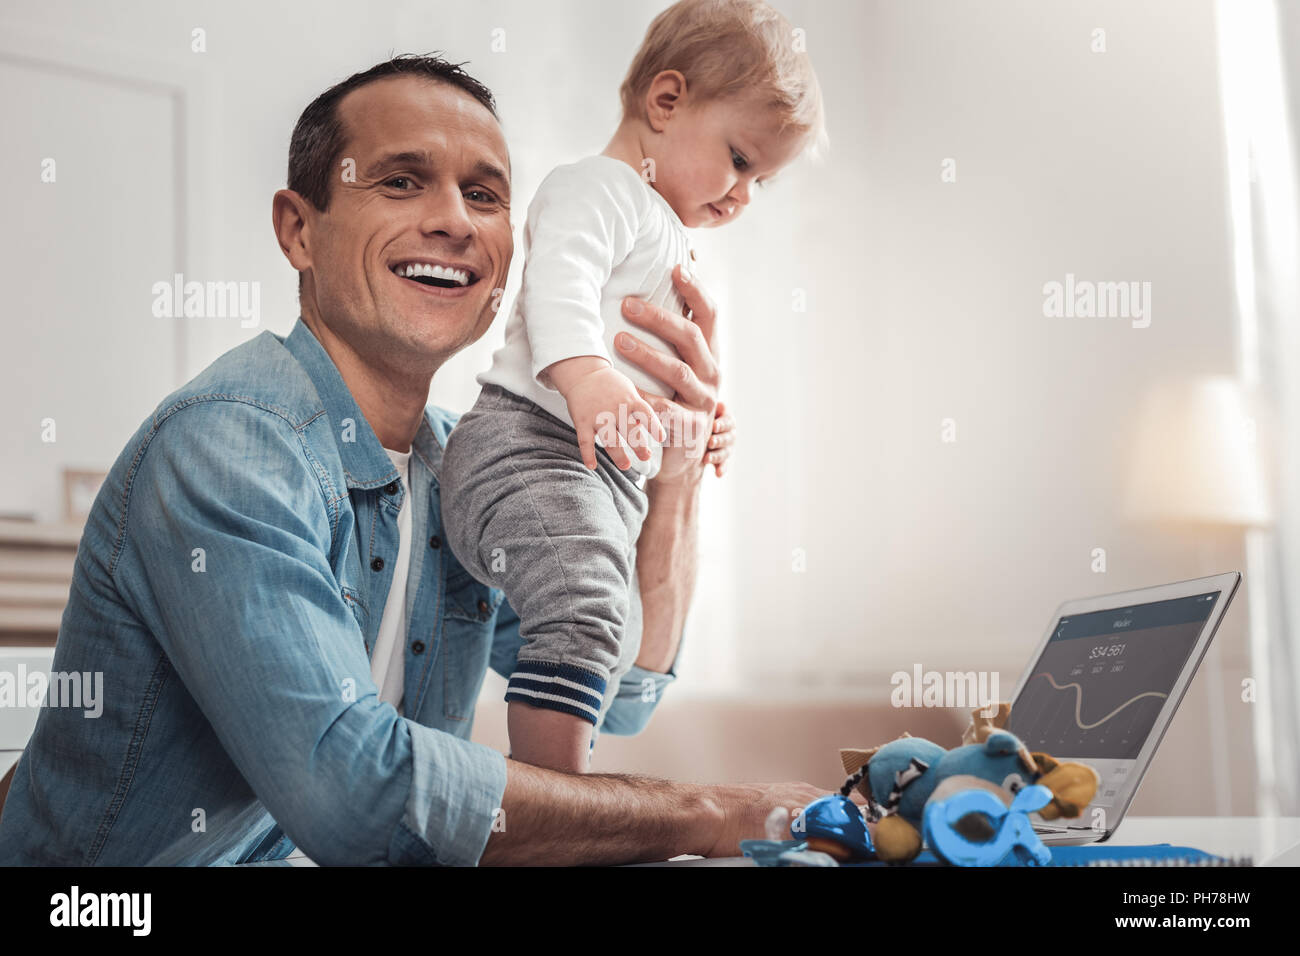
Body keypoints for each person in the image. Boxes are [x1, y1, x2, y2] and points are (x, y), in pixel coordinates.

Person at [0, 54, 829, 867]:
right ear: (299, 230)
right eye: (400, 181)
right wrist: (710, 811)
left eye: (484, 194)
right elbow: (350, 788)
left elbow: (623, 695)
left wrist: (678, 475)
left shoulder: (463, 467)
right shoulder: (229, 448)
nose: (455, 221)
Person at [441, 0, 827, 773]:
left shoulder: (666, 229)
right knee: (583, 608)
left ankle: (559, 794)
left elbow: (649, 386)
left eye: (764, 182)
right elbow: (561, 281)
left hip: (599, 475)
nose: (745, 195)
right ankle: (560, 803)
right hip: (527, 442)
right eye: (742, 160)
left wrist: (692, 432)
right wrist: (585, 374)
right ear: (667, 100)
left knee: (598, 628)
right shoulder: (601, 189)